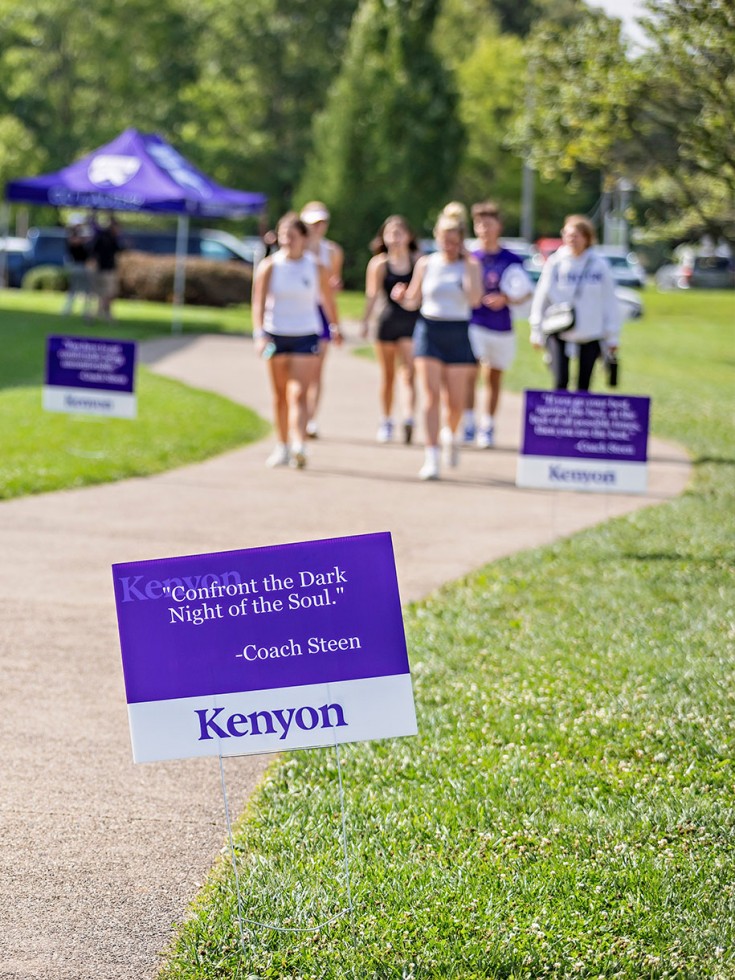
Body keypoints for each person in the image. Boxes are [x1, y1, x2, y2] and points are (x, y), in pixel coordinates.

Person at [392, 207, 482, 481]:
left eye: (454, 240)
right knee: (430, 396)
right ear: (437, 238)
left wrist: (466, 265)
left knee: (453, 402)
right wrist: (402, 296)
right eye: (445, 239)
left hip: (457, 331)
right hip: (429, 329)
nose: (449, 246)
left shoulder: (470, 265)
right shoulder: (426, 263)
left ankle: (451, 435)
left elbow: (475, 299)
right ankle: (431, 456)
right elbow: (413, 300)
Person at [251, 212, 342, 469]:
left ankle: (300, 443)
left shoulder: (315, 267)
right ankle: (281, 445)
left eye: (292, 237)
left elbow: (327, 300)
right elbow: (258, 303)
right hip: (276, 334)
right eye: (283, 237)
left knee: (300, 392)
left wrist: (335, 327)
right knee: (280, 395)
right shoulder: (270, 266)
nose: (287, 242)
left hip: (306, 333)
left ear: (303, 238)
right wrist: (259, 334)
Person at [466, 201, 533, 448]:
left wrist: (505, 298)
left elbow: (525, 291)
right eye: (479, 224)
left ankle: (489, 424)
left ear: (499, 226)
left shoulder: (511, 259)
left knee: (493, 376)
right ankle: (468, 421)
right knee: (469, 372)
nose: (484, 229)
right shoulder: (470, 257)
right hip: (475, 322)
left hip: (502, 325)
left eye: (488, 223)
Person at [529, 214, 621, 391]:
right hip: (560, 329)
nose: (572, 240)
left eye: (576, 235)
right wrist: (536, 328)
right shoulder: (556, 262)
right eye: (568, 235)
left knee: (584, 384)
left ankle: (580, 418)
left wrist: (612, 335)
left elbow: (609, 300)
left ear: (587, 238)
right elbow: (542, 296)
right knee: (560, 380)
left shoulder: (599, 265)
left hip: (591, 332)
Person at [361, 215, 419, 444]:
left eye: (399, 233)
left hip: (411, 321)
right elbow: (372, 295)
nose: (394, 238)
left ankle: (409, 417)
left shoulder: (418, 261)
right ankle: (386, 420)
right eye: (390, 233)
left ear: (408, 236)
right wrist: (365, 321)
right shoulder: (379, 264)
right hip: (386, 321)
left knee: (409, 373)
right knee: (388, 375)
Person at [299, 201, 344, 439]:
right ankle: (300, 416)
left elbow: (332, 289)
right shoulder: (296, 247)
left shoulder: (332, 251)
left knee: (317, 370)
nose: (318, 227)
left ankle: (311, 419)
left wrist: (336, 324)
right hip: (299, 311)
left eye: (322, 222)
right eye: (313, 223)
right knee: (299, 371)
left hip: (321, 312)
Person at [89, 215, 123, 322]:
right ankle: (104, 313)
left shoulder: (109, 238)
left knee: (105, 293)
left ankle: (100, 312)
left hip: (105, 268)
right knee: (107, 293)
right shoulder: (107, 238)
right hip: (105, 269)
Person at [61, 223, 93, 319]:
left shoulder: (77, 240)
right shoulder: (73, 240)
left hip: (80, 266)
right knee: (76, 290)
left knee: (82, 291)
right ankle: (69, 310)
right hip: (78, 266)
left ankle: (84, 311)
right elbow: (77, 242)